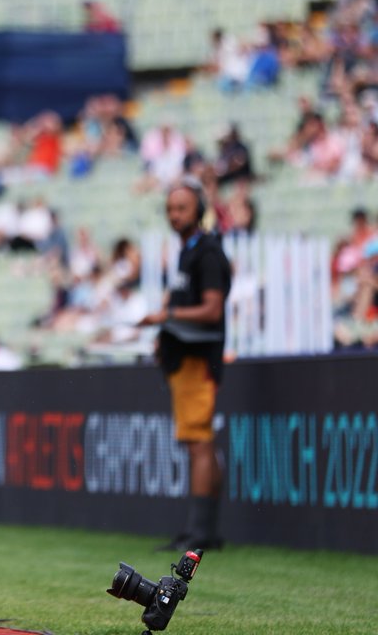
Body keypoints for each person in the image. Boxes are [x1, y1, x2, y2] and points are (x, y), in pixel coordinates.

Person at [138, 178, 232, 552]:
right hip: (184, 357)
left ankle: (199, 534)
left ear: (199, 209)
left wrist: (167, 315)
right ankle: (202, 531)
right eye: (171, 209)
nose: (175, 215)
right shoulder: (186, 251)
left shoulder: (207, 252)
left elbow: (212, 309)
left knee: (199, 443)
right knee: (198, 442)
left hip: (199, 359)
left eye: (182, 208)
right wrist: (165, 333)